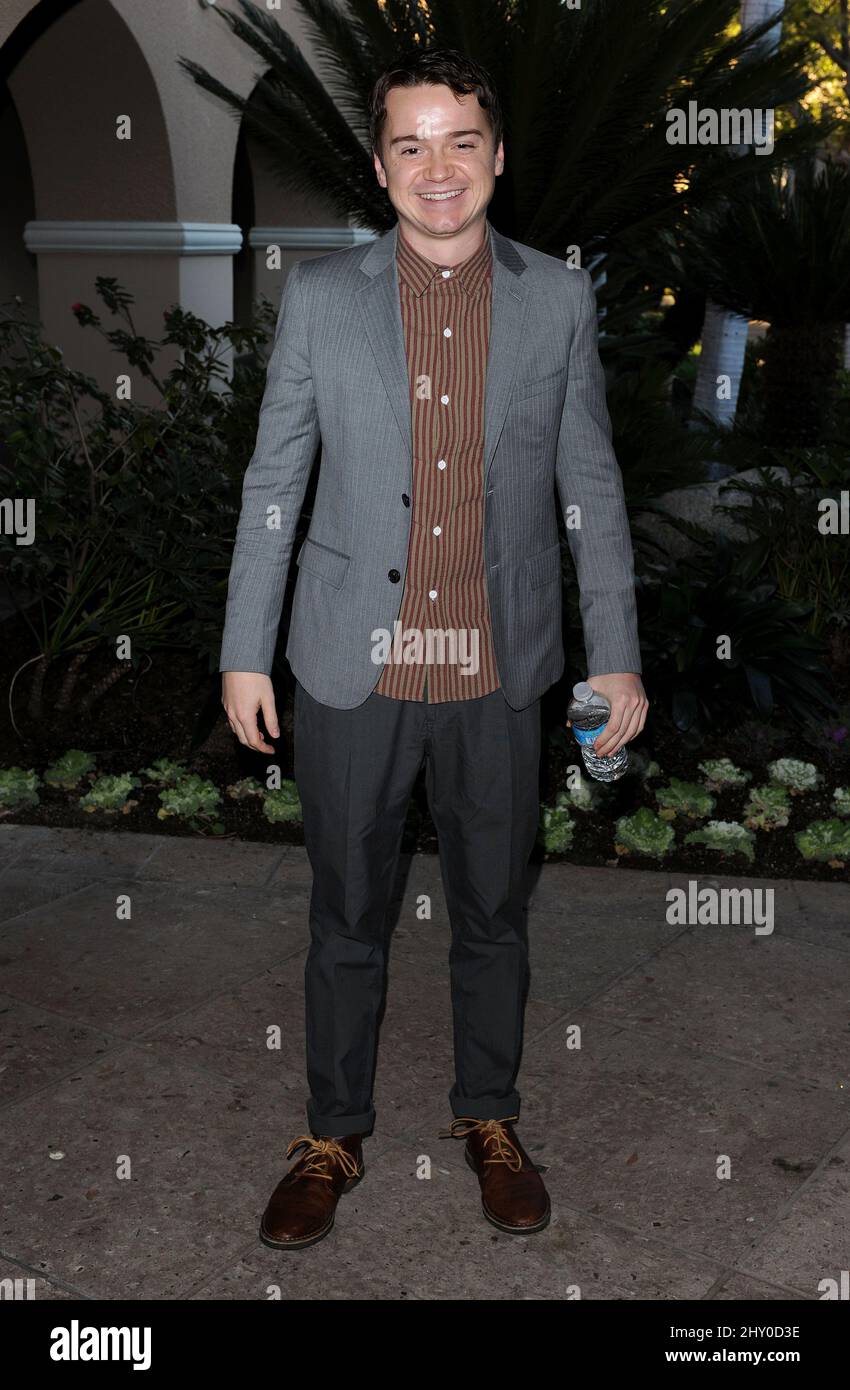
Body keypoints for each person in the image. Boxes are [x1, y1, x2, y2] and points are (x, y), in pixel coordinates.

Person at [220, 46, 648, 1251]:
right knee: (345, 913)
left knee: (492, 913)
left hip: (499, 671)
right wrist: (245, 646)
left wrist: (613, 650)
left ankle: (490, 1117)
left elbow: (591, 485)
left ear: (497, 154)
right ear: (379, 166)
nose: (437, 167)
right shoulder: (320, 298)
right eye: (410, 143)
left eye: (460, 139)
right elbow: (274, 481)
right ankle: (332, 1134)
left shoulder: (558, 299)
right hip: (351, 667)